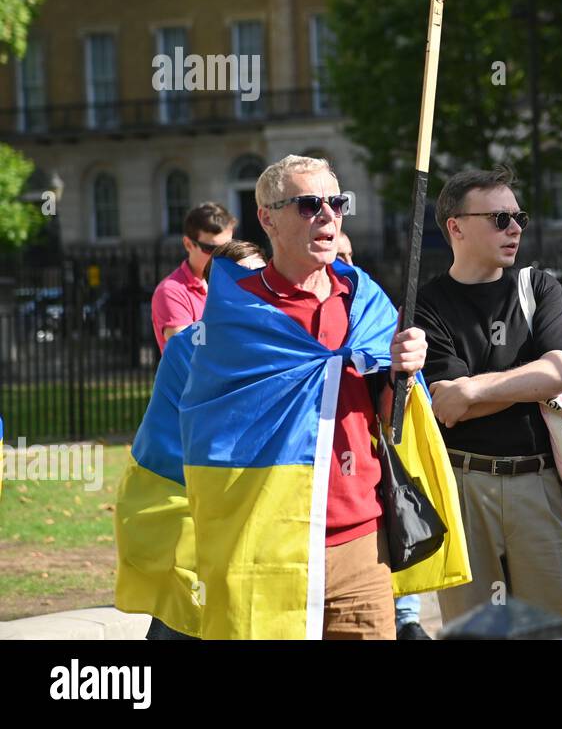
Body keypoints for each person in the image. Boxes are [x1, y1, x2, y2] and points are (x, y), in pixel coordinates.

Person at [178, 155, 437, 639]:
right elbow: (206, 427)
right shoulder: (238, 311)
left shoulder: (365, 301)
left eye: (336, 203)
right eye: (309, 204)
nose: (327, 215)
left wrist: (406, 369)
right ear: (267, 217)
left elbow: (392, 422)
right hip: (268, 542)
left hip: (360, 542)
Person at [413, 166, 562, 638]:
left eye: (519, 218)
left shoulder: (538, 287)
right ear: (456, 227)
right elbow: (444, 407)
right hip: (463, 486)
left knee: (560, 627)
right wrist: (517, 386)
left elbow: (558, 373)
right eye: (499, 218)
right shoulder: (424, 305)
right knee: (475, 630)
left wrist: (473, 389)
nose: (514, 229)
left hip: (541, 484)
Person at [117, 240, 266, 641]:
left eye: (261, 279)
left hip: (225, 506)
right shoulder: (193, 346)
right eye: (244, 281)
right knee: (185, 617)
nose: (256, 290)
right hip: (177, 499)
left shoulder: (265, 344)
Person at [151, 202, 236, 350]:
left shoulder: (234, 284)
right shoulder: (171, 291)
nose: (221, 256)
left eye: (227, 248)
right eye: (211, 248)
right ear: (188, 244)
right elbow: (189, 351)